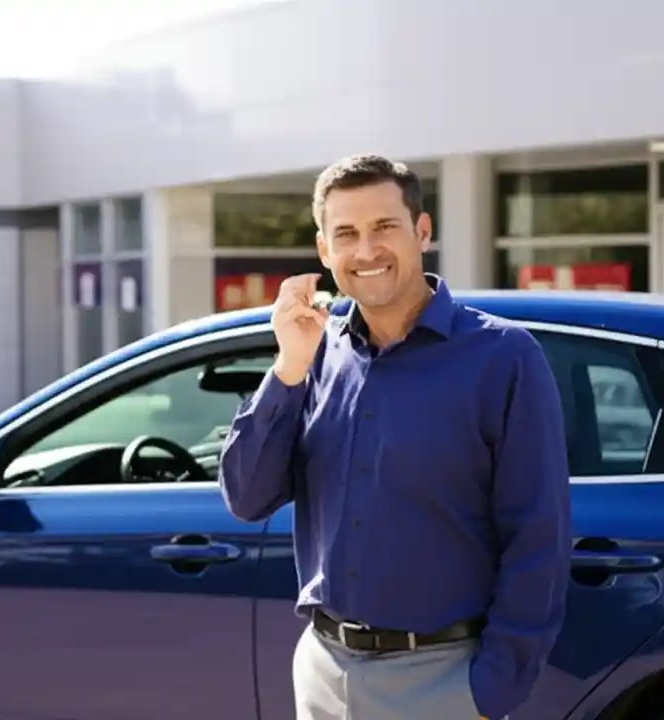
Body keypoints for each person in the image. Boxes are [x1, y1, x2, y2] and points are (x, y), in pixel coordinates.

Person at [217, 154, 571, 720]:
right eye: (346, 234)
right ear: (323, 251)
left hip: (443, 680)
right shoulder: (316, 350)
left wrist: (491, 690)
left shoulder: (503, 358)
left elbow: (538, 538)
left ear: (422, 232)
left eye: (384, 227)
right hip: (323, 672)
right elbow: (247, 496)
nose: (366, 251)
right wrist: (288, 367)